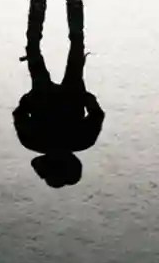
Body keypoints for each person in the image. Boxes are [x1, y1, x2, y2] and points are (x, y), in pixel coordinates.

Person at [12, 38, 104, 187]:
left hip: (69, 98)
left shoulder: (83, 141)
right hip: (47, 98)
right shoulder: (32, 142)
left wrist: (86, 98)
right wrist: (28, 100)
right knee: (37, 57)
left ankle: (66, 20)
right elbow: (19, 115)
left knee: (75, 53)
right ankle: (39, 17)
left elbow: (97, 115)